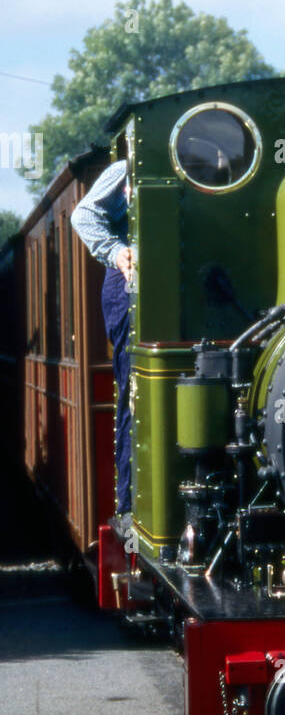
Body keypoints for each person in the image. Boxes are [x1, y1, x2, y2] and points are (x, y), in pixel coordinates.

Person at [70, 160, 133, 518]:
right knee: (134, 392)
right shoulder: (127, 168)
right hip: (128, 289)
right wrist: (114, 251)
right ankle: (130, 504)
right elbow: (84, 214)